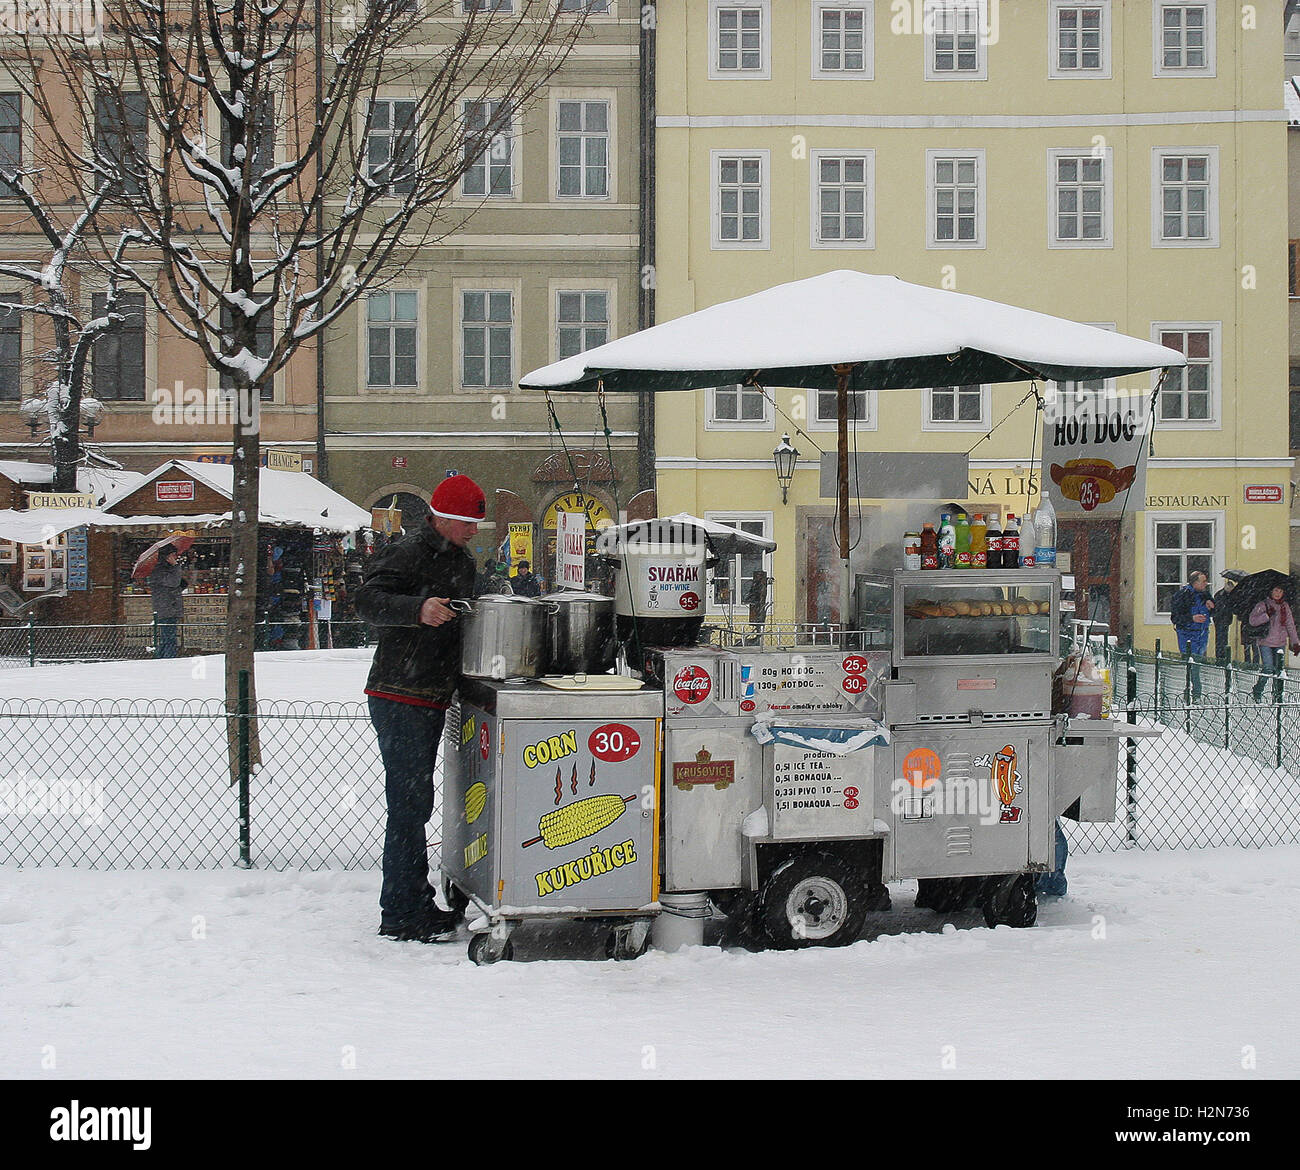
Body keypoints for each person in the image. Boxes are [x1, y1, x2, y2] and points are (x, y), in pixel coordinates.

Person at [354, 473, 483, 943]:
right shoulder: (406, 551)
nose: (473, 531)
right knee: (409, 805)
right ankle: (401, 912)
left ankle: (412, 901)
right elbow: (366, 601)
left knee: (415, 803)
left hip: (429, 694)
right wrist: (417, 609)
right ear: (444, 518)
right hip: (398, 694)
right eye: (467, 522)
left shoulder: (462, 561)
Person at [1247, 585, 1299, 702]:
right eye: (1276, 590)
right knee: (1268, 668)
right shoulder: (1263, 604)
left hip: (1280, 642)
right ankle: (1258, 690)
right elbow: (1252, 620)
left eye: (1280, 591)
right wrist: (1266, 615)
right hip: (1265, 641)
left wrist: (1295, 642)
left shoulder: (1285, 606)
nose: (1278, 593)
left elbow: (1290, 625)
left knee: (1278, 670)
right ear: (1271, 591)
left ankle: (1277, 694)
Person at [1168, 570, 1213, 700]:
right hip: (1187, 635)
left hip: (1202, 634)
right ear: (1194, 583)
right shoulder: (1182, 595)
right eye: (1203, 581)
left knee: (1194, 664)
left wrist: (1212, 607)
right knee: (1194, 664)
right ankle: (1196, 693)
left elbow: (1215, 612)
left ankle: (1189, 692)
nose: (1206, 583)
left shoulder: (1205, 595)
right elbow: (1175, 617)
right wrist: (1192, 618)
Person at [147, 546, 187, 659]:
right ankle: (168, 660)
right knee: (169, 638)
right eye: (173, 555)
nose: (176, 557)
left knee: (167, 637)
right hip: (166, 607)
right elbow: (173, 583)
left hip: (169, 607)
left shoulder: (166, 569)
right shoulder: (159, 570)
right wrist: (176, 567)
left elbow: (178, 584)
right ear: (167, 556)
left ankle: (162, 658)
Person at [1212, 570, 1245, 664]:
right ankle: (1220, 659)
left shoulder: (1231, 595)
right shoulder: (1220, 594)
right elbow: (1220, 607)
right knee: (1220, 639)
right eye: (1229, 586)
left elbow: (1234, 607)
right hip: (1219, 619)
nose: (1230, 588)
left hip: (1226, 619)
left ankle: (1223, 658)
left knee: (1223, 639)